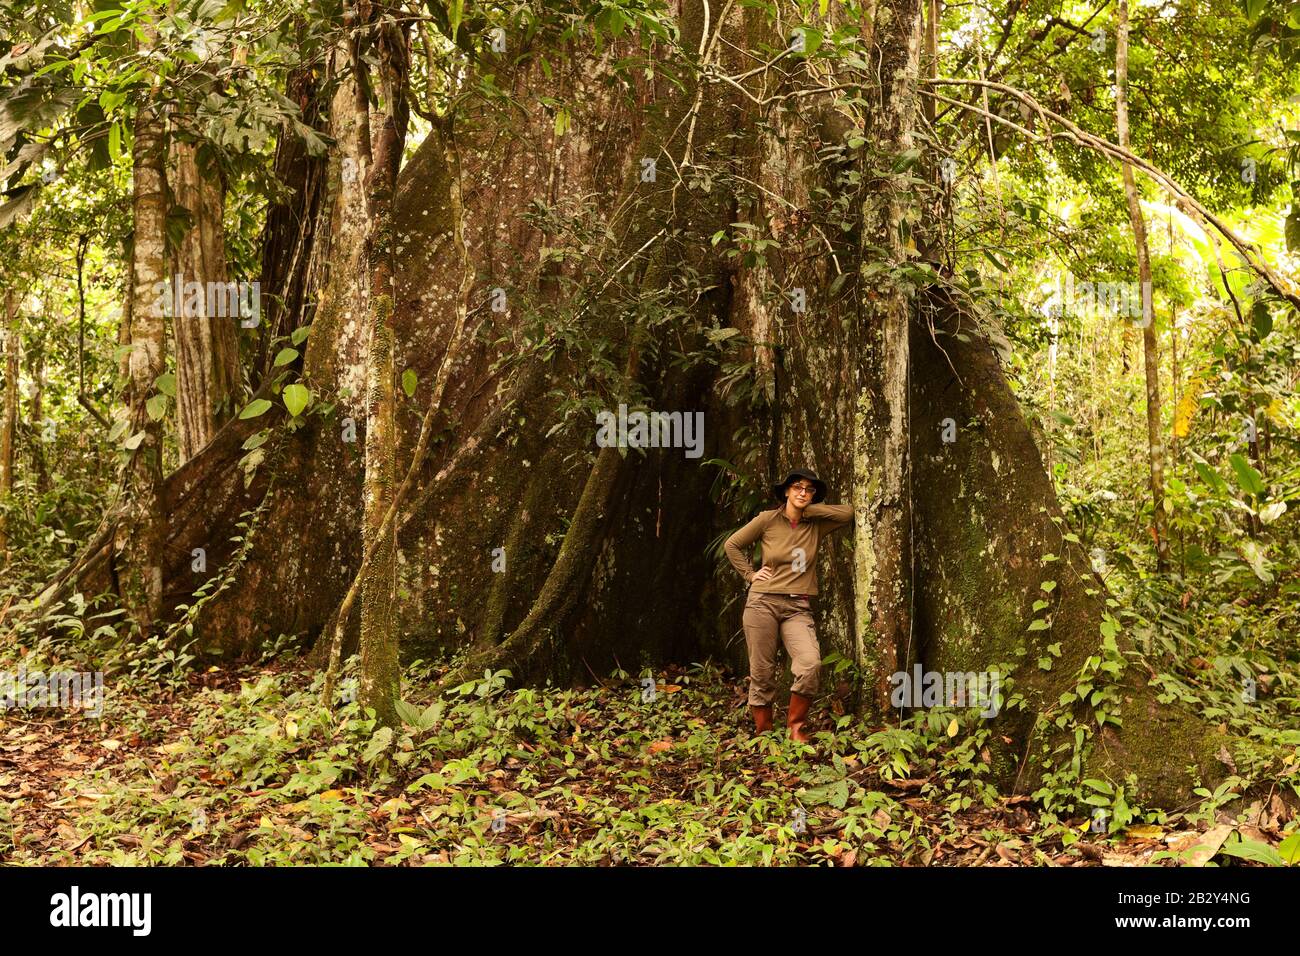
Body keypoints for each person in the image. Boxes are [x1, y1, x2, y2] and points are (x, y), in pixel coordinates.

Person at [723, 468, 853, 742]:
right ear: (785, 491)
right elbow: (732, 545)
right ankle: (764, 733)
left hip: (797, 607)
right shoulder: (767, 520)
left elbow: (848, 514)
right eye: (797, 487)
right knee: (762, 671)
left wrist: (808, 510)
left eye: (809, 489)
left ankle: (796, 728)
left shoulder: (815, 524)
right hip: (762, 603)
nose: (803, 492)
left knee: (810, 663)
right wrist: (750, 574)